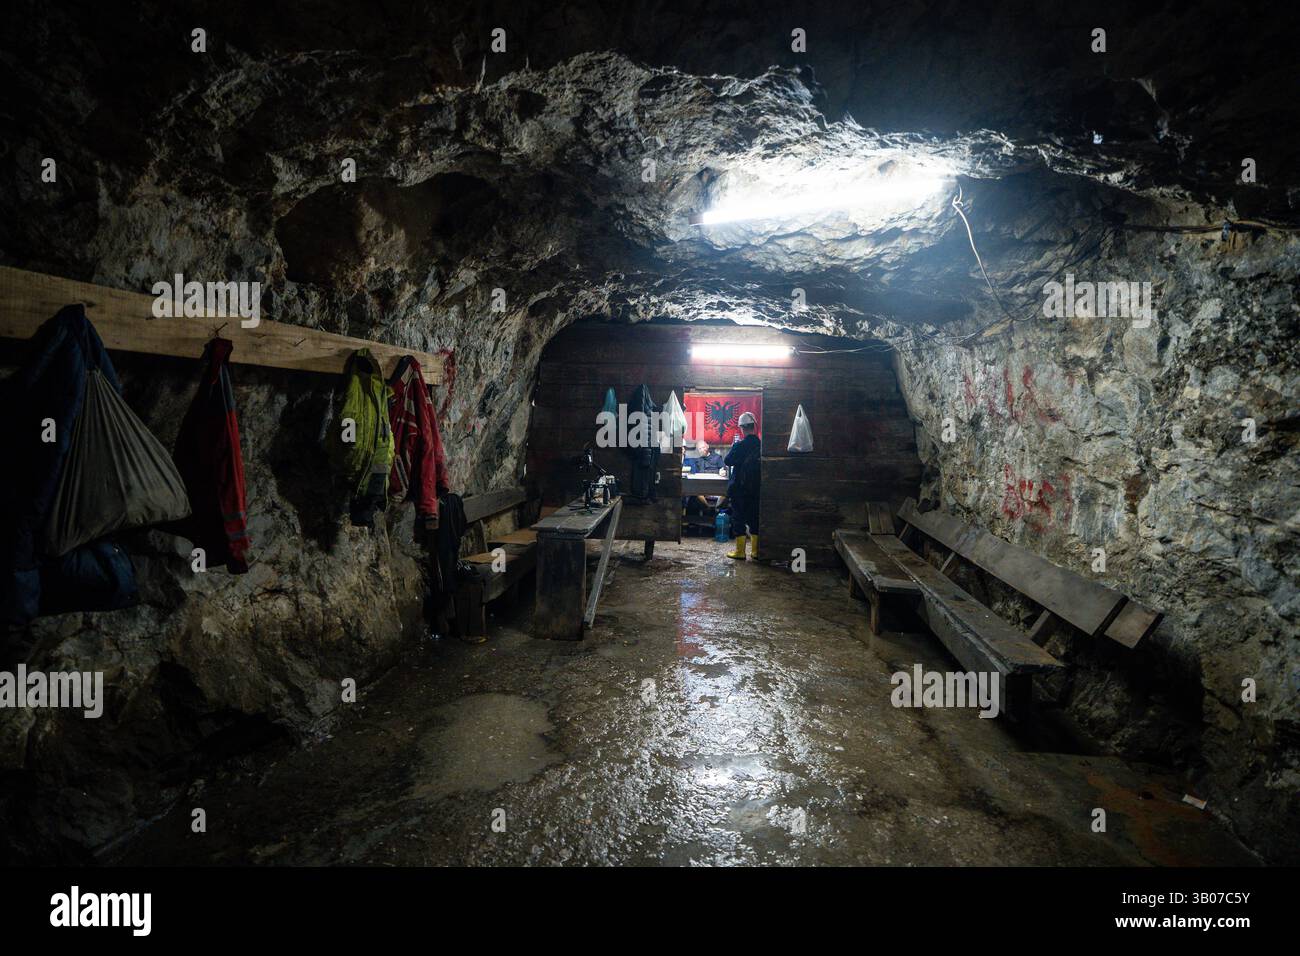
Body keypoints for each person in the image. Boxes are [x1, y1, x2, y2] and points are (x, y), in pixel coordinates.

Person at [723, 411, 761, 559]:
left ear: (742, 428)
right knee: (754, 518)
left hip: (739, 489)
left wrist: (734, 447)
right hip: (755, 489)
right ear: (754, 427)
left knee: (738, 518)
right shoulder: (760, 445)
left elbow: (728, 461)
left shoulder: (739, 445)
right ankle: (756, 551)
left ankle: (740, 552)